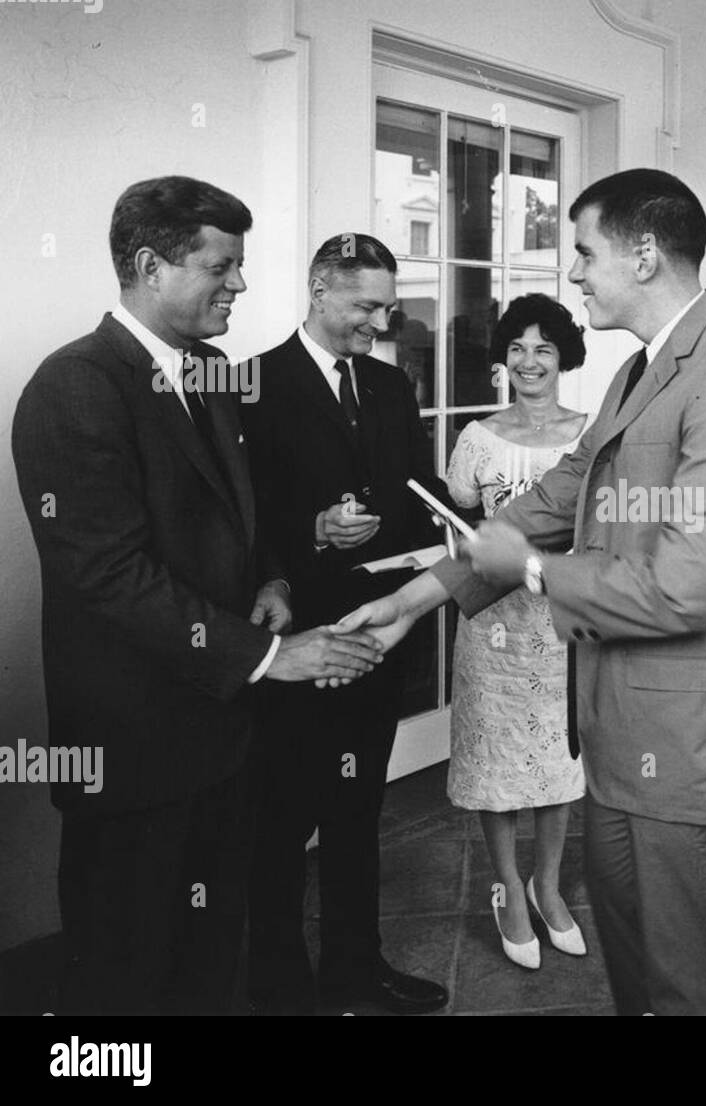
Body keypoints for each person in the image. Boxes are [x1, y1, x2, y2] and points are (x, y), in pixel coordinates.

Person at [332, 168, 706, 1014]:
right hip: (620, 737)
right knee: (637, 972)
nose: (576, 274)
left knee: (704, 988)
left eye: (585, 252)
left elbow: (690, 584)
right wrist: (418, 598)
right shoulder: (637, 375)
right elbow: (558, 497)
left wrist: (538, 572)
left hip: (694, 744)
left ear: (647, 255)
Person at [10, 177, 384, 1014]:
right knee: (125, 977)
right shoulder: (73, 387)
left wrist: (275, 579)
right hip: (134, 754)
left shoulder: (215, 373)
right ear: (149, 265)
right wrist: (271, 657)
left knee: (212, 963)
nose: (241, 286)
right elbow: (109, 574)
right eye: (222, 266)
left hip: (226, 740)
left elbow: (240, 515)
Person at [240, 233, 449, 1015]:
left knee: (359, 814)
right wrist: (314, 533)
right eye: (365, 306)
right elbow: (238, 521)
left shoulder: (393, 387)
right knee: (283, 824)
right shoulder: (251, 384)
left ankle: (357, 974)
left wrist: (471, 531)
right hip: (294, 647)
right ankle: (281, 987)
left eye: (387, 307)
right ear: (318, 288)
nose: (379, 322)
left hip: (378, 639)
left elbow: (416, 490)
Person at [443, 294, 589, 970]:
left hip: (560, 624)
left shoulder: (590, 436)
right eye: (519, 348)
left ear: (564, 359)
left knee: (559, 761)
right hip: (491, 629)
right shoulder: (476, 438)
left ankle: (548, 884)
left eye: (545, 349)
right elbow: (459, 532)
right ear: (504, 357)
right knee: (497, 766)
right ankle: (507, 888)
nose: (529, 361)